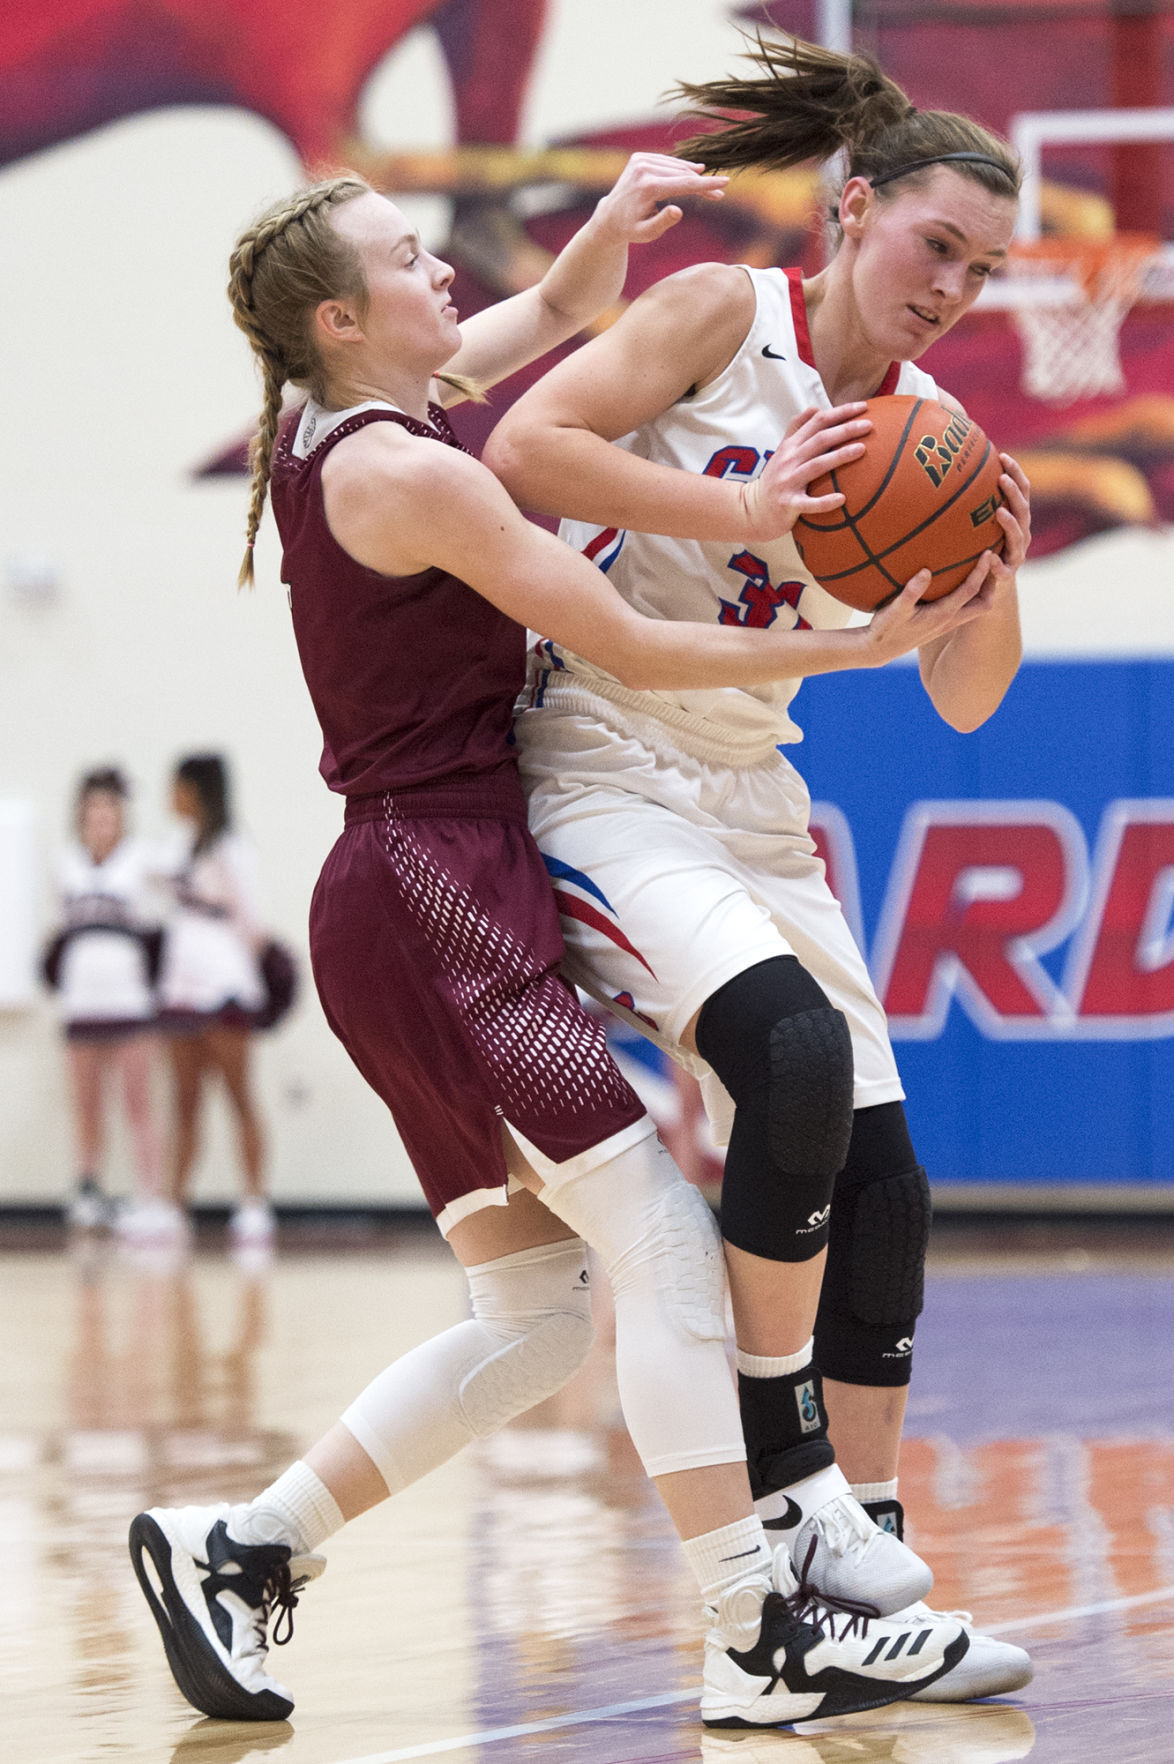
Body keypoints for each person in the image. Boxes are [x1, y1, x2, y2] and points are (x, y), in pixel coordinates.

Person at [128, 155, 979, 1731]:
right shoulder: (412, 473)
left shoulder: (349, 410)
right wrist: (851, 635)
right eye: (407, 258)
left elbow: (547, 315)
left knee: (529, 1326)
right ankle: (753, 1624)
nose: (442, 271)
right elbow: (627, 640)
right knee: (659, 1245)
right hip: (436, 888)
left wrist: (602, 233)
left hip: (409, 890)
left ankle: (238, 1549)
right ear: (340, 318)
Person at [483, 35, 1034, 1701]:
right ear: (850, 212)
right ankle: (789, 1495)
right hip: (599, 758)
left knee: (884, 1178)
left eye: (981, 270)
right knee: (789, 1059)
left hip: (747, 792)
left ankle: (851, 1576)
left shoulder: (930, 430)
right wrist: (748, 515)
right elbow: (522, 449)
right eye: (933, 245)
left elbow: (964, 696)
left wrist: (991, 559)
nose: (950, 289)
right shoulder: (726, 315)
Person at [48, 766, 173, 1238]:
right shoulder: (65, 864)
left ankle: (149, 1197)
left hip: (131, 1003)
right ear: (81, 818)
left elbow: (176, 889)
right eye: (93, 812)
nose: (101, 820)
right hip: (80, 1004)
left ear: (122, 817)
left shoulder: (141, 860)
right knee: (86, 1107)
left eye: (110, 811)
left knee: (139, 1105)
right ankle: (88, 1190)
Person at [157, 753, 272, 1247]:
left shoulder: (232, 845)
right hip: (181, 987)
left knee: (238, 1095)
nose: (170, 795)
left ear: (198, 790)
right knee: (184, 1102)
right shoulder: (176, 843)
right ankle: (173, 1206)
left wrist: (260, 977)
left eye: (177, 786)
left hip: (224, 985)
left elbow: (252, 922)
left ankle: (254, 1205)